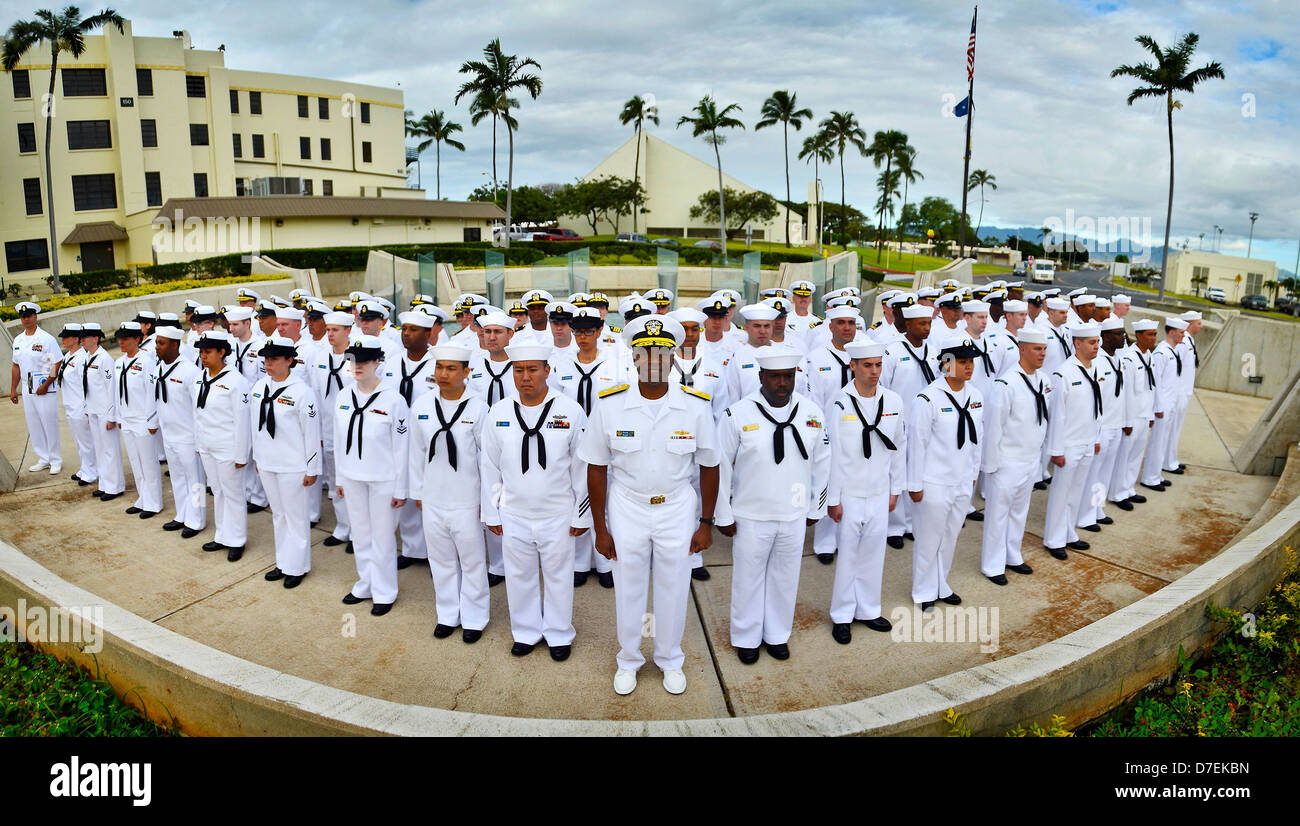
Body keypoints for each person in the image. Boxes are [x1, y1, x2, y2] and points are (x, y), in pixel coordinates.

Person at [579, 314, 720, 696]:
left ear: (674, 357)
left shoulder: (694, 406)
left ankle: (670, 658)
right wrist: (601, 527)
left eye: (662, 352)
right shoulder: (610, 405)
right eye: (645, 353)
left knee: (675, 586)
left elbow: (710, 464)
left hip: (676, 507)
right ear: (634, 359)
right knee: (629, 587)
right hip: (628, 507)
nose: (654, 359)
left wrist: (706, 522)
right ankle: (629, 659)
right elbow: (596, 467)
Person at [715, 344, 829, 664]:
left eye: (788, 376)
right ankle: (746, 637)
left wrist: (816, 508)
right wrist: (722, 514)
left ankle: (777, 634)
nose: (782, 383)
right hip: (751, 515)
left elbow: (823, 463)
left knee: (785, 578)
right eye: (775, 377)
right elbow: (720, 466)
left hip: (793, 514)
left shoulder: (811, 413)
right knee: (748, 580)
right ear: (761, 376)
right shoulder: (737, 414)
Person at [480, 342, 590, 660]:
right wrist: (493, 511)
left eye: (532, 370)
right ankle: (526, 632)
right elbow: (489, 466)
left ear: (547, 371)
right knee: (519, 576)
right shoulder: (499, 412)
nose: (525, 377)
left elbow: (581, 468)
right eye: (518, 370)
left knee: (558, 577)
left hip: (557, 511)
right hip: (514, 511)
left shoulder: (570, 410)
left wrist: (580, 516)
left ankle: (558, 634)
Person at [409, 344, 490, 643]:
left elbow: (488, 458)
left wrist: (488, 500)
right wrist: (417, 490)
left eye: (451, 368)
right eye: (439, 367)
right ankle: (447, 614)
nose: (442, 374)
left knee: (471, 560)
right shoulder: (422, 405)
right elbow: (415, 452)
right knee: (440, 560)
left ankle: (475, 617)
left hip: (467, 498)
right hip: (432, 496)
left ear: (466, 372)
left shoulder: (479, 408)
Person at [825, 341, 905, 642]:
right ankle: (842, 614)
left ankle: (868, 609)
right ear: (853, 367)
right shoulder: (839, 403)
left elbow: (899, 448)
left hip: (879, 490)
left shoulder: (894, 401)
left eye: (878, 365)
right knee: (847, 556)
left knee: (873, 553)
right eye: (867, 365)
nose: (874, 371)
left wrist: (895, 489)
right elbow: (831, 454)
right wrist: (833, 499)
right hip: (849, 492)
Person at [906, 337, 985, 610]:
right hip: (934, 482)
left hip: (962, 479)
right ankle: (923, 591)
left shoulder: (975, 395)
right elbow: (917, 445)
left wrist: (973, 475)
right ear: (946, 363)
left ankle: (941, 584)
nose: (969, 367)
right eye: (962, 361)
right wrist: (915, 484)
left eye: (971, 361)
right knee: (929, 540)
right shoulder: (927, 398)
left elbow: (977, 440)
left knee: (950, 537)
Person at [333, 336, 409, 615]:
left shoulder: (393, 399)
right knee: (361, 534)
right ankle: (365, 583)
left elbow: (402, 447)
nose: (357, 365)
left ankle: (385, 591)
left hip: (383, 479)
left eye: (364, 360)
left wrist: (401, 488)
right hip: (352, 476)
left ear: (378, 362)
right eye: (352, 360)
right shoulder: (343, 396)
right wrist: (340, 478)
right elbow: (340, 443)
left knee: (383, 537)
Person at [980, 328, 1050, 584]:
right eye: (1036, 349)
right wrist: (990, 465)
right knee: (998, 515)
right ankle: (992, 564)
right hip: (1006, 460)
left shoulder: (1042, 379)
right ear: (1022, 349)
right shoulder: (1006, 383)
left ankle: (1013, 555)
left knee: (1019, 512)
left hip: (1030, 458)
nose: (1042, 354)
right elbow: (994, 428)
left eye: (1043, 349)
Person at [799, 304, 860, 565]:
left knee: (853, 487)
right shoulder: (816, 358)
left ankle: (849, 536)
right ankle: (824, 542)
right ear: (831, 326)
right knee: (826, 484)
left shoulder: (863, 353)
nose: (847, 328)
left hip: (857, 432)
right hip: (828, 433)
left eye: (851, 323)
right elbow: (812, 400)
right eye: (841, 323)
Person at [1042, 323, 1103, 559]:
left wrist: (1095, 437)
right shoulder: (1064, 373)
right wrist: (1056, 450)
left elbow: (1097, 407)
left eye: (1097, 342)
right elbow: (1057, 415)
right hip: (1068, 444)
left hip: (1087, 441)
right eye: (1091, 342)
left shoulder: (1094, 368)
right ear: (1077, 343)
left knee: (1075, 493)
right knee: (1061, 494)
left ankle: (1068, 533)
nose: (1096, 346)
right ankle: (1053, 539)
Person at [881, 302, 938, 548]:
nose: (926, 328)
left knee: (918, 472)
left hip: (925, 422)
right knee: (896, 474)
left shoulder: (936, 351)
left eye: (928, 323)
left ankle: (913, 523)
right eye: (921, 324)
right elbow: (882, 387)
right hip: (898, 421)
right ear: (909, 324)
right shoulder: (892, 351)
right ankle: (894, 526)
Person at [191, 331, 252, 561]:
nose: (203, 356)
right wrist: (199, 443)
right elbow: (196, 414)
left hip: (228, 447)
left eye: (208, 352)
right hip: (207, 446)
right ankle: (222, 535)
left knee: (233, 493)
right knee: (217, 492)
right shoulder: (200, 378)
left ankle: (237, 540)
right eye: (201, 352)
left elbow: (242, 420)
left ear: (222, 352)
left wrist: (241, 454)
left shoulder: (236, 381)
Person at [386, 310, 438, 570]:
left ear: (428, 334)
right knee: (403, 489)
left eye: (413, 329)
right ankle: (412, 548)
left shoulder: (438, 363)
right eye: (404, 328)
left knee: (427, 494)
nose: (406, 333)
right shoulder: (392, 362)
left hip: (427, 438)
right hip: (395, 436)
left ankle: (434, 552)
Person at [1076, 316, 1129, 534]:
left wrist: (1124, 421)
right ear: (1105, 337)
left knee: (1104, 473)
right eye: (1118, 334)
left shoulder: (1118, 359)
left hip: (1115, 423)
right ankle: (1085, 515)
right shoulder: (1097, 363)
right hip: (1101, 426)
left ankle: (1097, 510)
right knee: (1093, 473)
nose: (1123, 337)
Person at [153, 326, 206, 538]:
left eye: (161, 343)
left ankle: (197, 519)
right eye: (157, 343)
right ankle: (183, 514)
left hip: (187, 436)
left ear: (175, 345)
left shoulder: (189, 371)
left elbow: (199, 408)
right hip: (169, 434)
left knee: (195, 480)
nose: (157, 347)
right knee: (177, 477)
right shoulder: (159, 368)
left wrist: (199, 439)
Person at [112, 322, 163, 519]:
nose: (121, 342)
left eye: (126, 338)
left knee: (148, 462)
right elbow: (116, 393)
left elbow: (152, 394)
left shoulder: (147, 361)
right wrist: (119, 418)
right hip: (127, 419)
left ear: (137, 339)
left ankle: (154, 502)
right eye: (120, 338)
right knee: (135, 462)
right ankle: (143, 498)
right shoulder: (119, 363)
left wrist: (151, 421)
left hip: (143, 419)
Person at [37, 323, 95, 486]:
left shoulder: (82, 358)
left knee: (86, 442)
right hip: (70, 405)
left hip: (80, 406)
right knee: (78, 441)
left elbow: (85, 386)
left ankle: (91, 472)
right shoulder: (70, 356)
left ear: (76, 339)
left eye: (66, 336)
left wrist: (87, 408)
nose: (63, 339)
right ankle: (85, 468)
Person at [1110, 319, 1158, 510]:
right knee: (1125, 456)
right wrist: (1127, 420)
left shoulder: (1149, 356)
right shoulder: (1129, 358)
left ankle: (1128, 488)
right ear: (1138, 336)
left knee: (1137, 454)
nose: (1153, 338)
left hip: (1145, 413)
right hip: (1132, 415)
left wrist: (1152, 414)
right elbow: (1127, 392)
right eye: (1150, 334)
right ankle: (1117, 493)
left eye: (1155, 334)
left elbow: (1152, 388)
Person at [10, 302, 63, 474]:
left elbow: (57, 362)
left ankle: (55, 459)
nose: (26, 319)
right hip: (27, 386)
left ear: (35, 317)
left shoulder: (46, 338)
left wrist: (46, 384)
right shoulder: (18, 340)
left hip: (44, 386)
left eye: (29, 316)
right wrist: (13, 389)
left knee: (49, 422)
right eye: (23, 316)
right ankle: (43, 458)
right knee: (34, 424)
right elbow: (16, 366)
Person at [1140, 317, 1188, 492]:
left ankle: (1156, 474)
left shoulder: (1172, 351)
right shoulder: (1161, 353)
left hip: (1170, 404)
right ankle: (1149, 478)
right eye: (1181, 332)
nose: (1183, 335)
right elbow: (1156, 383)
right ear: (1172, 332)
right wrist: (1158, 408)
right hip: (1163, 406)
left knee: (1164, 441)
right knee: (1157, 442)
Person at [1166, 310, 1202, 475]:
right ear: (1189, 324)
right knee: (1172, 429)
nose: (1200, 326)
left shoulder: (1189, 340)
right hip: (1179, 391)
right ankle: (1167, 462)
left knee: (1176, 428)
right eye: (1198, 323)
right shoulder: (1182, 342)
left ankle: (1171, 459)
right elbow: (1175, 368)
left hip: (1185, 390)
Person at [724, 303, 777, 404]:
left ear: (772, 327)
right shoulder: (738, 357)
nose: (762, 331)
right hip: (747, 417)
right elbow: (732, 396)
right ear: (747, 328)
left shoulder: (781, 354)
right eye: (757, 326)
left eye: (766, 326)